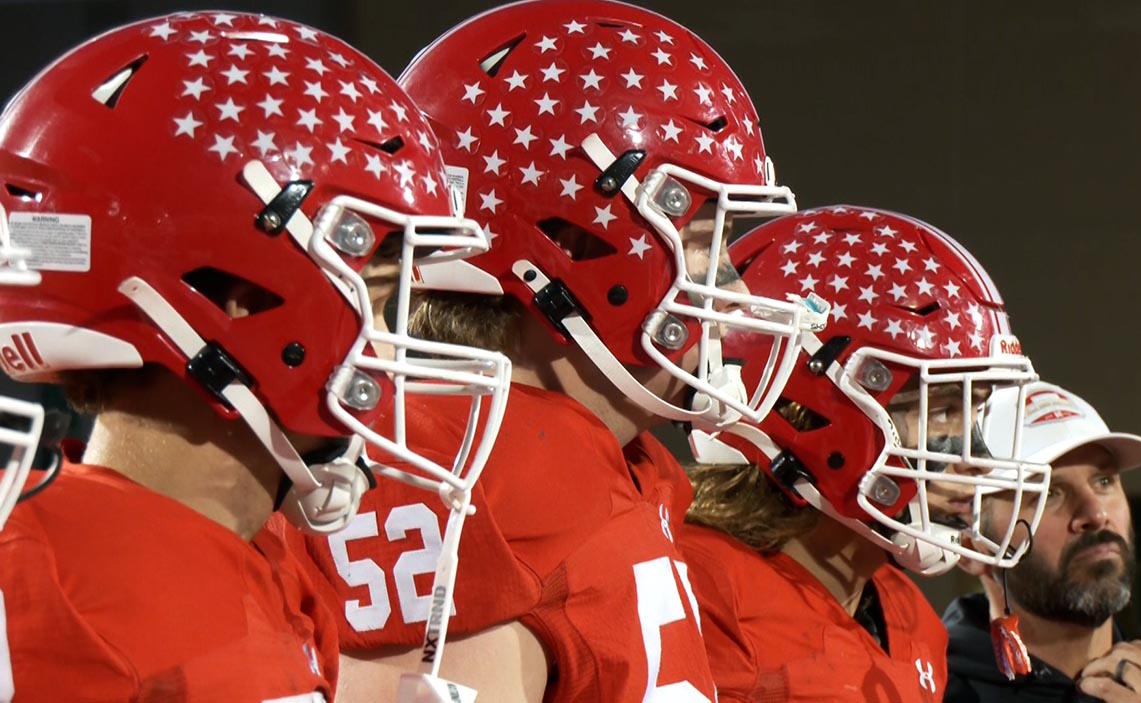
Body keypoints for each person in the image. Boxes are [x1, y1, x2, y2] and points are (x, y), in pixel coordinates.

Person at [278, 1, 829, 700]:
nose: (727, 276)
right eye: (698, 231)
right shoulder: (494, 467)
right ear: (571, 243)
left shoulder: (612, 459)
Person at [0, 11, 505, 699]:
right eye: (376, 293)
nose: (388, 346)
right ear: (238, 300)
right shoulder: (66, 590)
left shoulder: (243, 545)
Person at [678, 205, 1051, 701]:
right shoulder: (700, 594)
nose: (978, 458)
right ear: (805, 408)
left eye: (975, 411)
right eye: (941, 412)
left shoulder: (909, 617)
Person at [944, 381, 1141, 702]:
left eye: (1104, 481)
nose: (1096, 513)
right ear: (972, 547)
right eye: (1048, 494)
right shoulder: (920, 690)